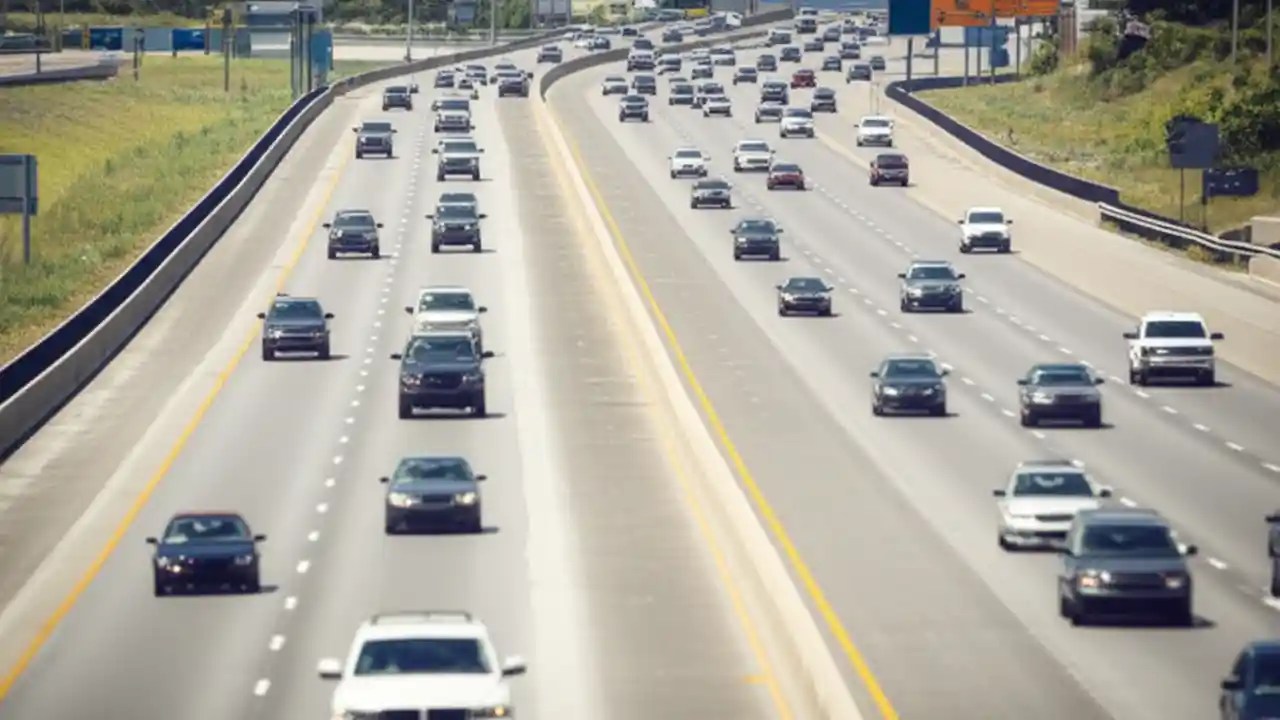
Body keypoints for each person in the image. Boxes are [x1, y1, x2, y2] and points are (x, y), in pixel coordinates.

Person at [1267, 512, 1280, 597]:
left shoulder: (1274, 528)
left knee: (1277, 574)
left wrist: (1270, 552)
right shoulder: (1275, 528)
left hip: (1277, 553)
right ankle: (1276, 590)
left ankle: (1275, 591)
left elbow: (1271, 542)